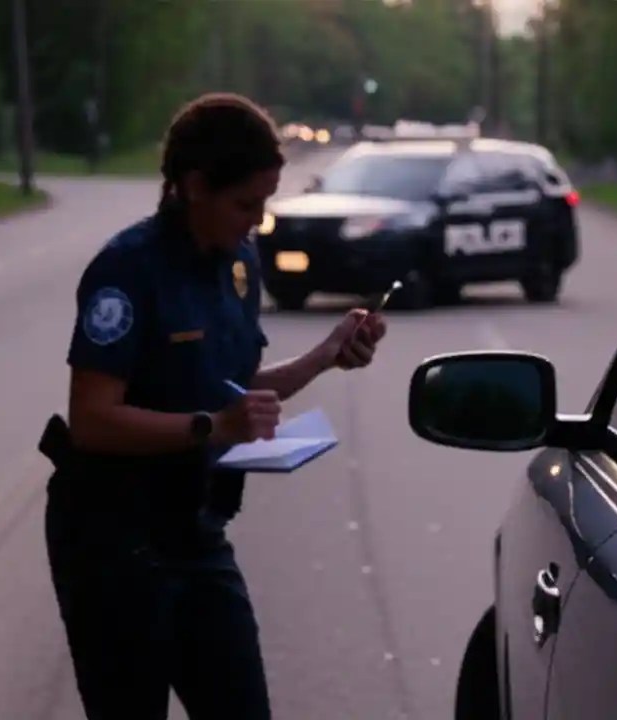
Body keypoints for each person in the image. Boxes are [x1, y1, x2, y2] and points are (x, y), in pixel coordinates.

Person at [41, 92, 387, 720]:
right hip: (112, 542)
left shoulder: (238, 262)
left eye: (265, 202)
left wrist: (325, 355)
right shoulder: (126, 270)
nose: (256, 220)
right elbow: (92, 420)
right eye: (245, 204)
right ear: (194, 186)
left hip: (195, 532)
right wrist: (212, 427)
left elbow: (238, 385)